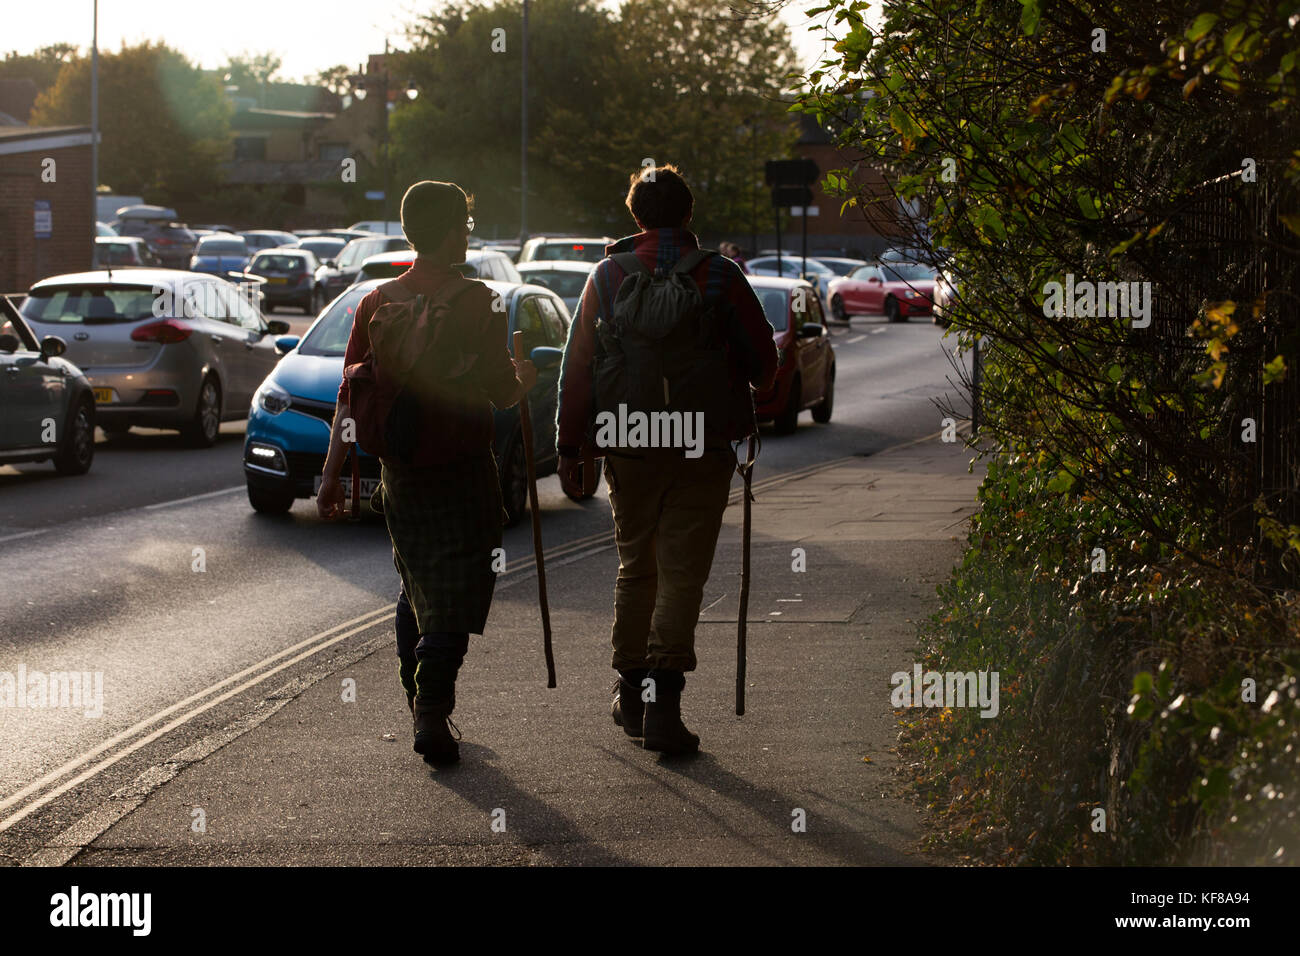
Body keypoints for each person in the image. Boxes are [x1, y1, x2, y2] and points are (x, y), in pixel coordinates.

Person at [555, 164, 777, 754]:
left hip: (627, 438)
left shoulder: (606, 275)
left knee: (636, 567)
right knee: (681, 573)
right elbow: (764, 365)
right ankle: (663, 709)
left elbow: (577, 367)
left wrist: (570, 445)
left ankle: (631, 699)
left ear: (636, 217)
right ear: (689, 213)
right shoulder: (720, 275)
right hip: (699, 444)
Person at [317, 180, 537, 766]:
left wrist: (333, 473)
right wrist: (526, 381)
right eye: (463, 225)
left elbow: (349, 394)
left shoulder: (376, 301)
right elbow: (501, 393)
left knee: (416, 584)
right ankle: (432, 711)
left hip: (401, 474)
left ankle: (418, 697)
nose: (468, 234)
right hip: (463, 468)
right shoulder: (480, 302)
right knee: (457, 593)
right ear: (446, 230)